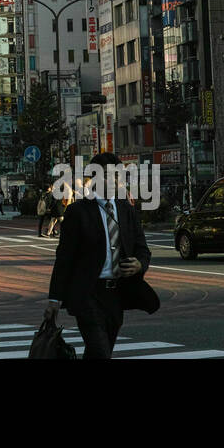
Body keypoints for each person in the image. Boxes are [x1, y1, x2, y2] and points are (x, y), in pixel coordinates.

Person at [45, 152, 159, 359]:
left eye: (118, 175)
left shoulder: (126, 210)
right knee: (100, 352)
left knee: (99, 351)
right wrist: (55, 298)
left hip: (116, 294)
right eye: (108, 175)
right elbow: (64, 257)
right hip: (88, 293)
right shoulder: (78, 211)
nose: (115, 180)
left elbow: (142, 248)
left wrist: (140, 264)